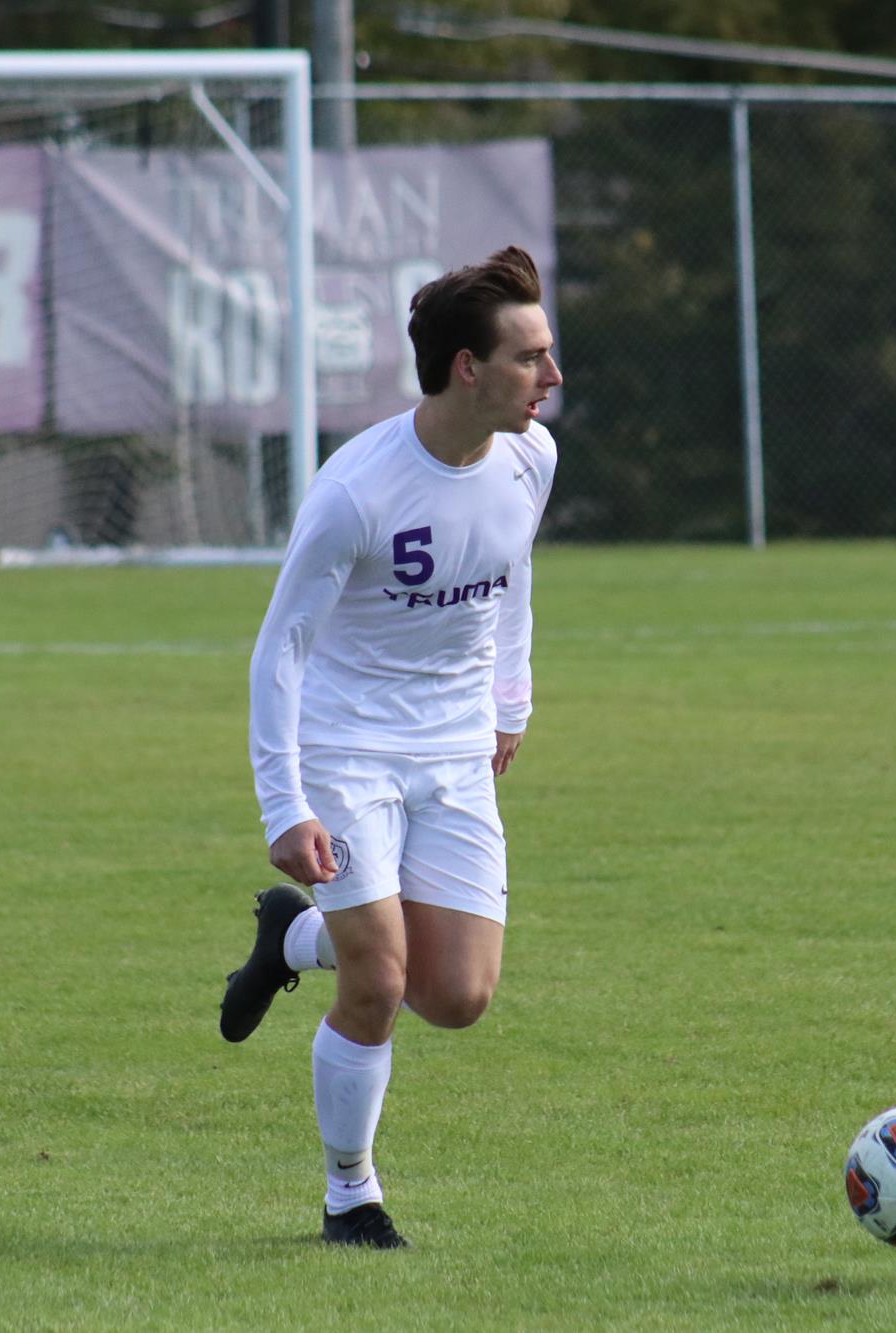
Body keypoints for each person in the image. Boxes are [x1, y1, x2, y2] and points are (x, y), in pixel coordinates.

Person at [218, 246, 561, 1249]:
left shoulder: (529, 457)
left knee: (454, 994)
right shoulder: (355, 492)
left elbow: (512, 576)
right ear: (467, 366)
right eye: (530, 356)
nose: (551, 376)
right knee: (377, 982)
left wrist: (509, 699)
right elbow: (278, 650)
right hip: (346, 747)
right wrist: (285, 807)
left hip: (453, 747)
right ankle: (348, 1196)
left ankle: (292, 939)